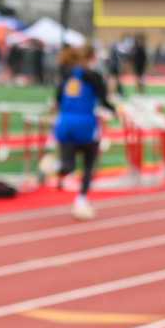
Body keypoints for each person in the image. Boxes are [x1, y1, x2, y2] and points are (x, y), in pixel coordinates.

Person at [49, 42, 120, 216]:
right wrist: (116, 110)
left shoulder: (66, 76)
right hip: (85, 125)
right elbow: (104, 101)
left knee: (68, 165)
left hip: (64, 123)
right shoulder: (94, 76)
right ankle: (81, 199)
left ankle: (57, 165)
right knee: (90, 163)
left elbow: (57, 101)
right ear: (93, 58)